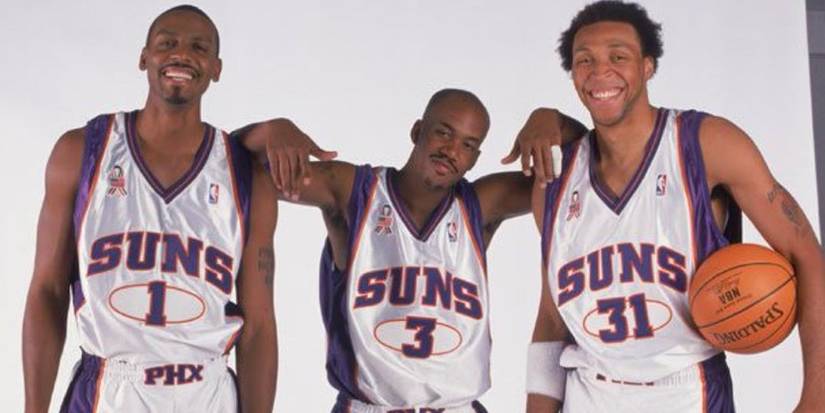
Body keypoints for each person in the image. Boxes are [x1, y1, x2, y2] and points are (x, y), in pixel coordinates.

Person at [523, 1, 825, 412]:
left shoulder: (707, 144)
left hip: (687, 390)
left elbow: (806, 254)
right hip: (588, 392)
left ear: (647, 66)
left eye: (618, 57)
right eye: (584, 60)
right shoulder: (555, 181)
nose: (599, 71)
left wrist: (817, 397)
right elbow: (552, 316)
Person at [239, 88, 585, 412]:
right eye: (444, 133)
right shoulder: (353, 191)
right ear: (417, 130)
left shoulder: (481, 205)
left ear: (475, 158)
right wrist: (268, 132)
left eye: (467, 145)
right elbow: (232, 170)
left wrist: (552, 121)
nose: (451, 151)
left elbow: (586, 167)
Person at [22, 5, 279, 412]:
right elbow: (47, 291)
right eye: (167, 43)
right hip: (110, 388)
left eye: (199, 47)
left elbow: (260, 325)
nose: (182, 54)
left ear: (216, 68)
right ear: (144, 58)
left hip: (207, 390)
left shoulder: (246, 177)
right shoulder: (80, 153)